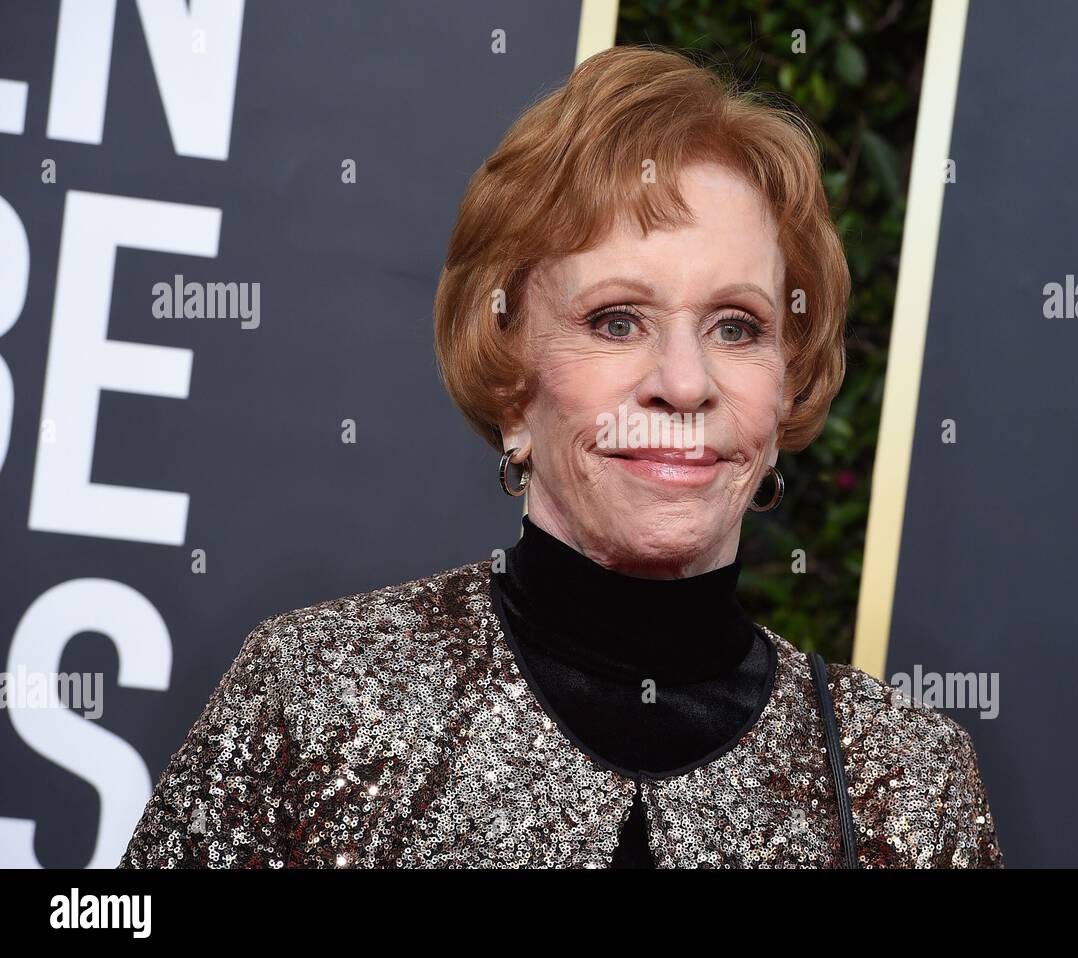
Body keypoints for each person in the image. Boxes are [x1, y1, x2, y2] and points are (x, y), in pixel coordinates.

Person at [118, 43, 1003, 869]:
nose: (684, 385)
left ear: (786, 384)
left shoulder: (906, 785)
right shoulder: (321, 700)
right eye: (616, 321)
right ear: (510, 381)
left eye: (738, 327)